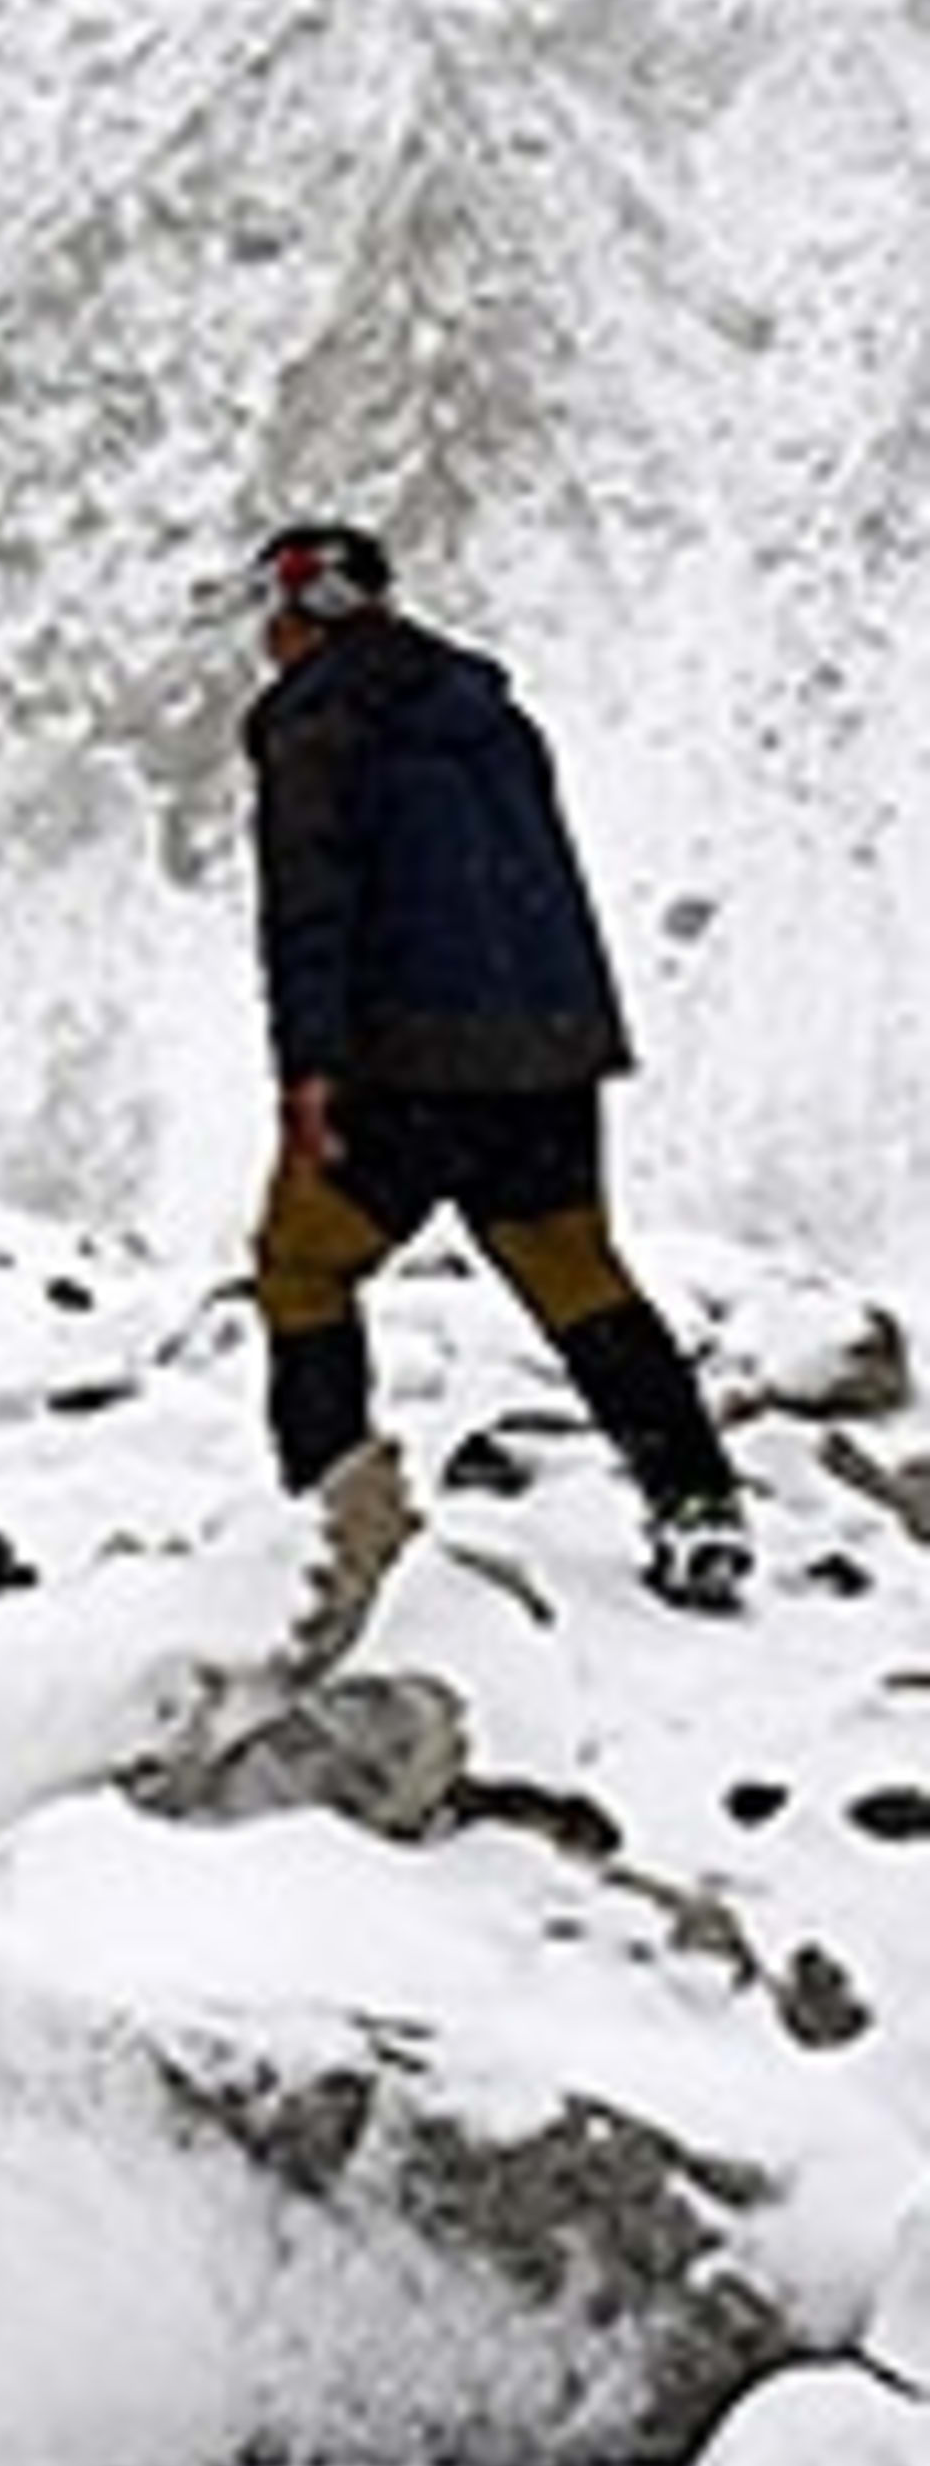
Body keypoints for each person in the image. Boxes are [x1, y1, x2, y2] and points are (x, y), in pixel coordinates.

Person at [239, 520, 747, 1659]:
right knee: (575, 1273)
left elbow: (308, 912)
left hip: (404, 1063)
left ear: (298, 609)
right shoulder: (493, 717)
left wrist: (307, 1071)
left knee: (303, 1266)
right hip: (547, 1052)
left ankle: (328, 1514)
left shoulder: (315, 723)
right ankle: (697, 1504)